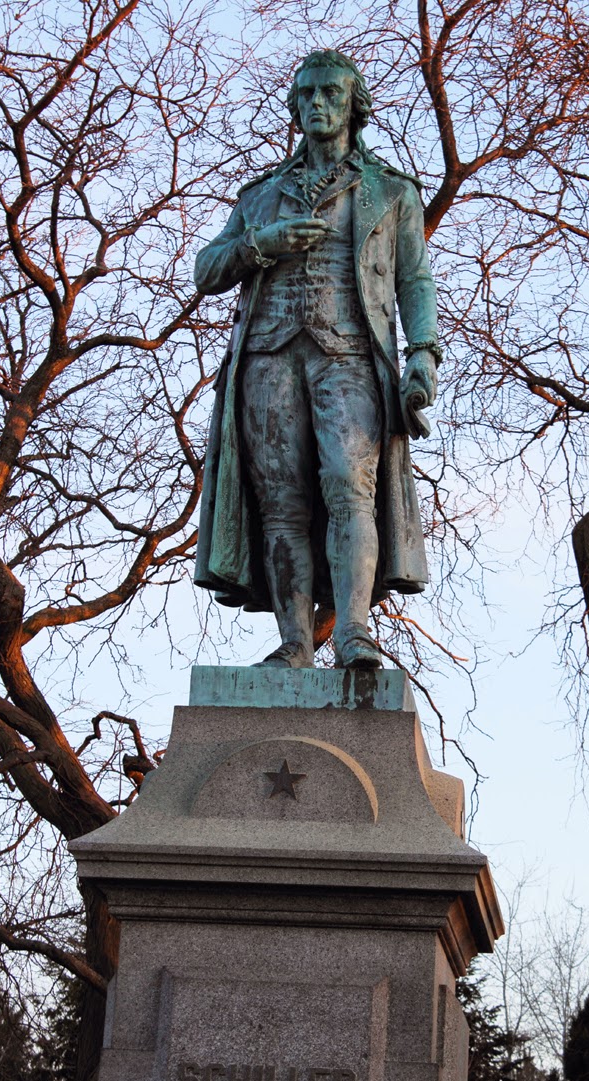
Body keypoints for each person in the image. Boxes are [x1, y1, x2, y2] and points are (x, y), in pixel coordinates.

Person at [194, 49, 441, 669]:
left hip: (351, 355)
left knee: (348, 486)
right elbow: (206, 270)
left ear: (354, 105)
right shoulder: (261, 197)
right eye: (305, 95)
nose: (317, 104)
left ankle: (354, 630)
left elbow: (414, 280)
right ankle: (296, 641)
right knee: (281, 501)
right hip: (268, 357)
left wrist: (424, 355)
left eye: (330, 93)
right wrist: (260, 246)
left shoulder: (391, 191)